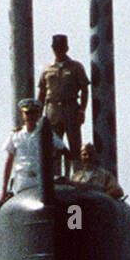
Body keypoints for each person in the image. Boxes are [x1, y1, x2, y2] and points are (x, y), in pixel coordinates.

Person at [0, 98, 67, 205]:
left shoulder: (46, 133)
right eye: (27, 113)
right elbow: (8, 162)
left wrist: (62, 174)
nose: (30, 116)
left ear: (38, 115)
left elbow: (63, 150)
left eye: (34, 113)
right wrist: (4, 190)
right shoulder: (15, 135)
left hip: (40, 181)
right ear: (23, 115)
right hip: (22, 181)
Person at [37, 34, 90, 166]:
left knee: (75, 146)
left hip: (70, 109)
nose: (58, 50)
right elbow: (42, 93)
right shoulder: (47, 70)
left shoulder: (76, 67)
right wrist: (39, 115)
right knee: (53, 146)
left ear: (66, 48)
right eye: (56, 48)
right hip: (53, 111)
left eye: (61, 47)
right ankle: (55, 177)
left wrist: (82, 111)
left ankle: (78, 174)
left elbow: (84, 90)